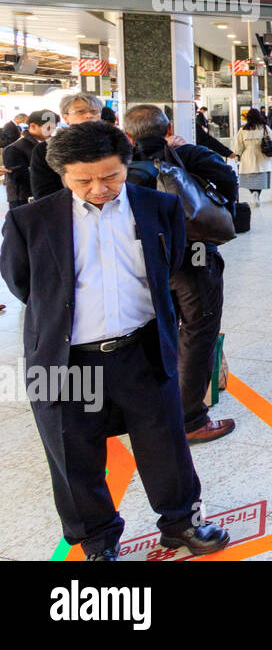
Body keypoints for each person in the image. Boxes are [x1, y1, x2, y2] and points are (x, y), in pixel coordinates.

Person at [0, 121, 230, 560]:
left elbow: (172, 262)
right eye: (83, 179)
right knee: (73, 456)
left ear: (127, 165)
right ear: (62, 174)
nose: (99, 187)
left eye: (110, 176)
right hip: (65, 359)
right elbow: (21, 283)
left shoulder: (159, 207)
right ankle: (98, 541)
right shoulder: (31, 220)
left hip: (140, 349)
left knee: (165, 443)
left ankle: (182, 523)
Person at [123, 104, 237, 444]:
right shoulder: (189, 154)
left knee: (155, 330)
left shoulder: (118, 165)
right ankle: (190, 419)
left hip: (142, 264)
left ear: (126, 133)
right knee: (198, 331)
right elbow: (228, 181)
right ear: (168, 127)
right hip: (194, 259)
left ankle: (152, 408)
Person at [31, 93, 104, 201]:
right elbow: (43, 192)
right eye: (80, 111)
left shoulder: (114, 143)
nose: (89, 115)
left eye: (94, 111)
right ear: (65, 117)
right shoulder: (46, 149)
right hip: (67, 210)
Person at [3, 109, 57, 206]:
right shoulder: (14, 148)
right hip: (23, 198)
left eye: (54, 128)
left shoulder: (51, 145)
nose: (52, 132)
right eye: (48, 128)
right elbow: (19, 176)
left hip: (47, 195)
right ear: (32, 126)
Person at [234, 108, 272, 206]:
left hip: (247, 155)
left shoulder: (242, 129)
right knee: (262, 178)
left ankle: (253, 193)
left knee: (249, 178)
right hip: (262, 155)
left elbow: (238, 146)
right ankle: (257, 194)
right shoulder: (264, 128)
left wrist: (237, 156)